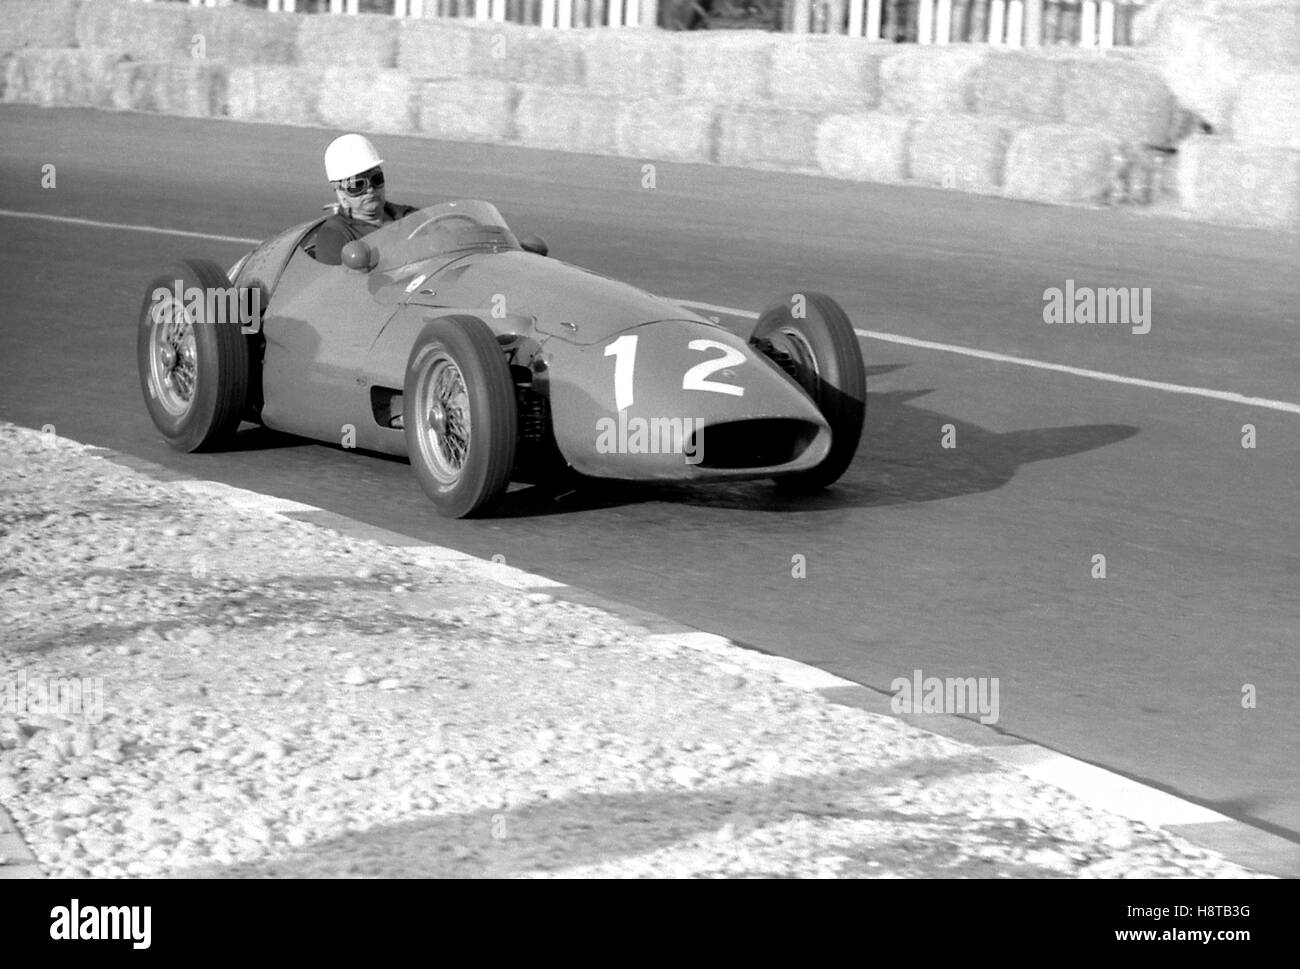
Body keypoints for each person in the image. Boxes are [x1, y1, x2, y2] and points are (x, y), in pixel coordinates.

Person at [314, 134, 416, 266]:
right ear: (341, 195)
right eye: (357, 185)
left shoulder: (410, 216)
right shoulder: (335, 235)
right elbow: (331, 285)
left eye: (376, 179)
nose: (370, 190)